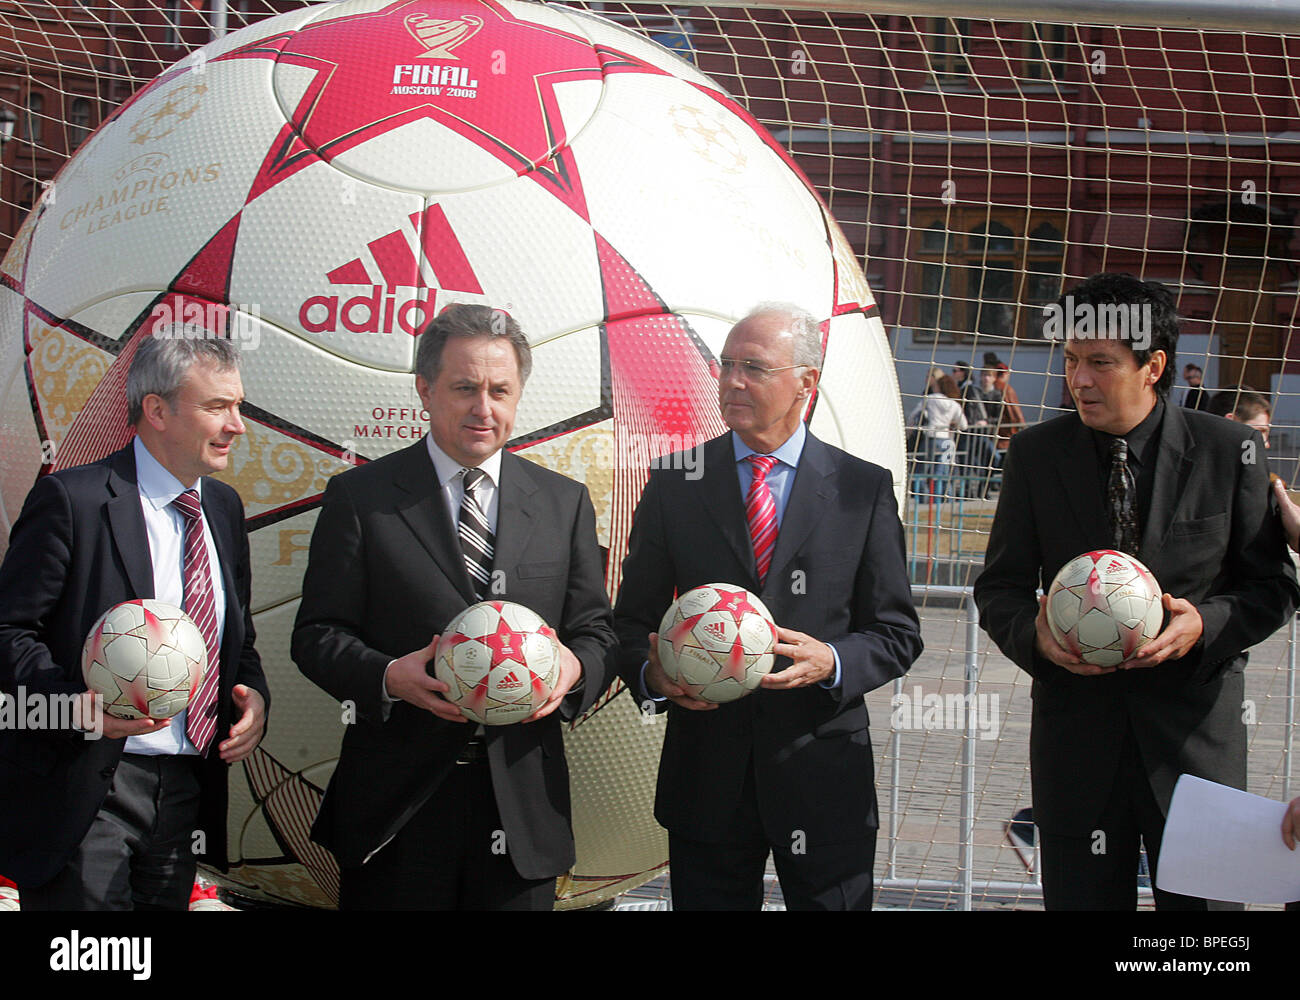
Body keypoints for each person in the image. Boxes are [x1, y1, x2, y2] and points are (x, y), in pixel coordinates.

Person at [974, 272, 1298, 911]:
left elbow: (1273, 587)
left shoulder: (1227, 450)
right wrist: (1035, 636)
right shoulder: (1037, 455)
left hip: (1194, 752)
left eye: (1100, 363)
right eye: (1071, 360)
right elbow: (1001, 587)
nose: (1079, 379)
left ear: (1153, 366)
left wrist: (1201, 626)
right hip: (1077, 750)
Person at [292, 303, 616, 911]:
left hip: (521, 810)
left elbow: (596, 632)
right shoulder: (360, 499)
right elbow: (316, 635)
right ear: (424, 389)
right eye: (464, 388)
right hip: (396, 811)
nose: (483, 409)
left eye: (500, 390)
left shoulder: (563, 503)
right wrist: (389, 677)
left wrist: (572, 672)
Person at [610, 303, 923, 910]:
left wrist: (831, 659)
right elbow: (629, 622)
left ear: (806, 382)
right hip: (706, 778)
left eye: (753, 367)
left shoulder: (861, 488)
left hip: (823, 777)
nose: (731, 381)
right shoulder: (677, 482)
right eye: (725, 365)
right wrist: (655, 675)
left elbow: (896, 631)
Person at [0, 335, 270, 909]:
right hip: (88, 789)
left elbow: (235, 635)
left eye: (238, 406)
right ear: (156, 410)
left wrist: (255, 699)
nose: (237, 425)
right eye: (217, 407)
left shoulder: (224, 509)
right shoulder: (70, 501)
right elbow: (8, 631)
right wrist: (74, 706)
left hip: (186, 792)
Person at [909, 372, 967, 500]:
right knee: (942, 472)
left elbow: (913, 415)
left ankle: (923, 499)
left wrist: (911, 428)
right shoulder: (953, 404)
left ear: (938, 386)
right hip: (947, 439)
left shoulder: (930, 399)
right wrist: (951, 424)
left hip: (931, 437)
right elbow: (964, 425)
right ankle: (945, 500)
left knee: (922, 470)